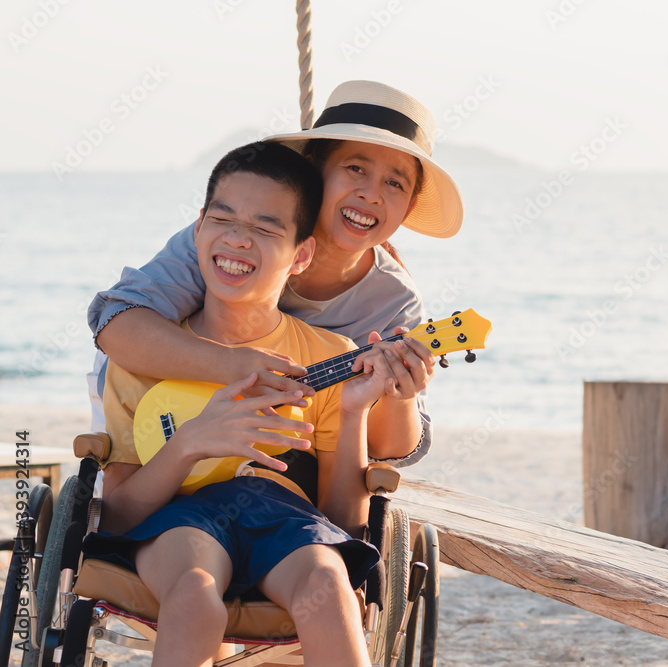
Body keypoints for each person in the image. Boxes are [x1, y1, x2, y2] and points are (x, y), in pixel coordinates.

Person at [83, 141, 414, 666]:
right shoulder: (141, 356)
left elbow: (340, 522)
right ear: (198, 230)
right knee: (193, 595)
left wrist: (352, 414)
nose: (238, 239)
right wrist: (190, 444)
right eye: (223, 219)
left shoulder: (329, 356)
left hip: (283, 515)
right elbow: (119, 518)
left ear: (301, 254)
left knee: (328, 589)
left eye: (266, 229)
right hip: (177, 520)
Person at [87, 80, 464, 465]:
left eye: (394, 183)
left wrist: (400, 396)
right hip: (163, 420)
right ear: (313, 170)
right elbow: (117, 325)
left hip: (289, 455)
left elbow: (390, 452)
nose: (371, 194)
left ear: (409, 206)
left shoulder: (393, 299)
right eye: (355, 168)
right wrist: (237, 368)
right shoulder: (231, 241)